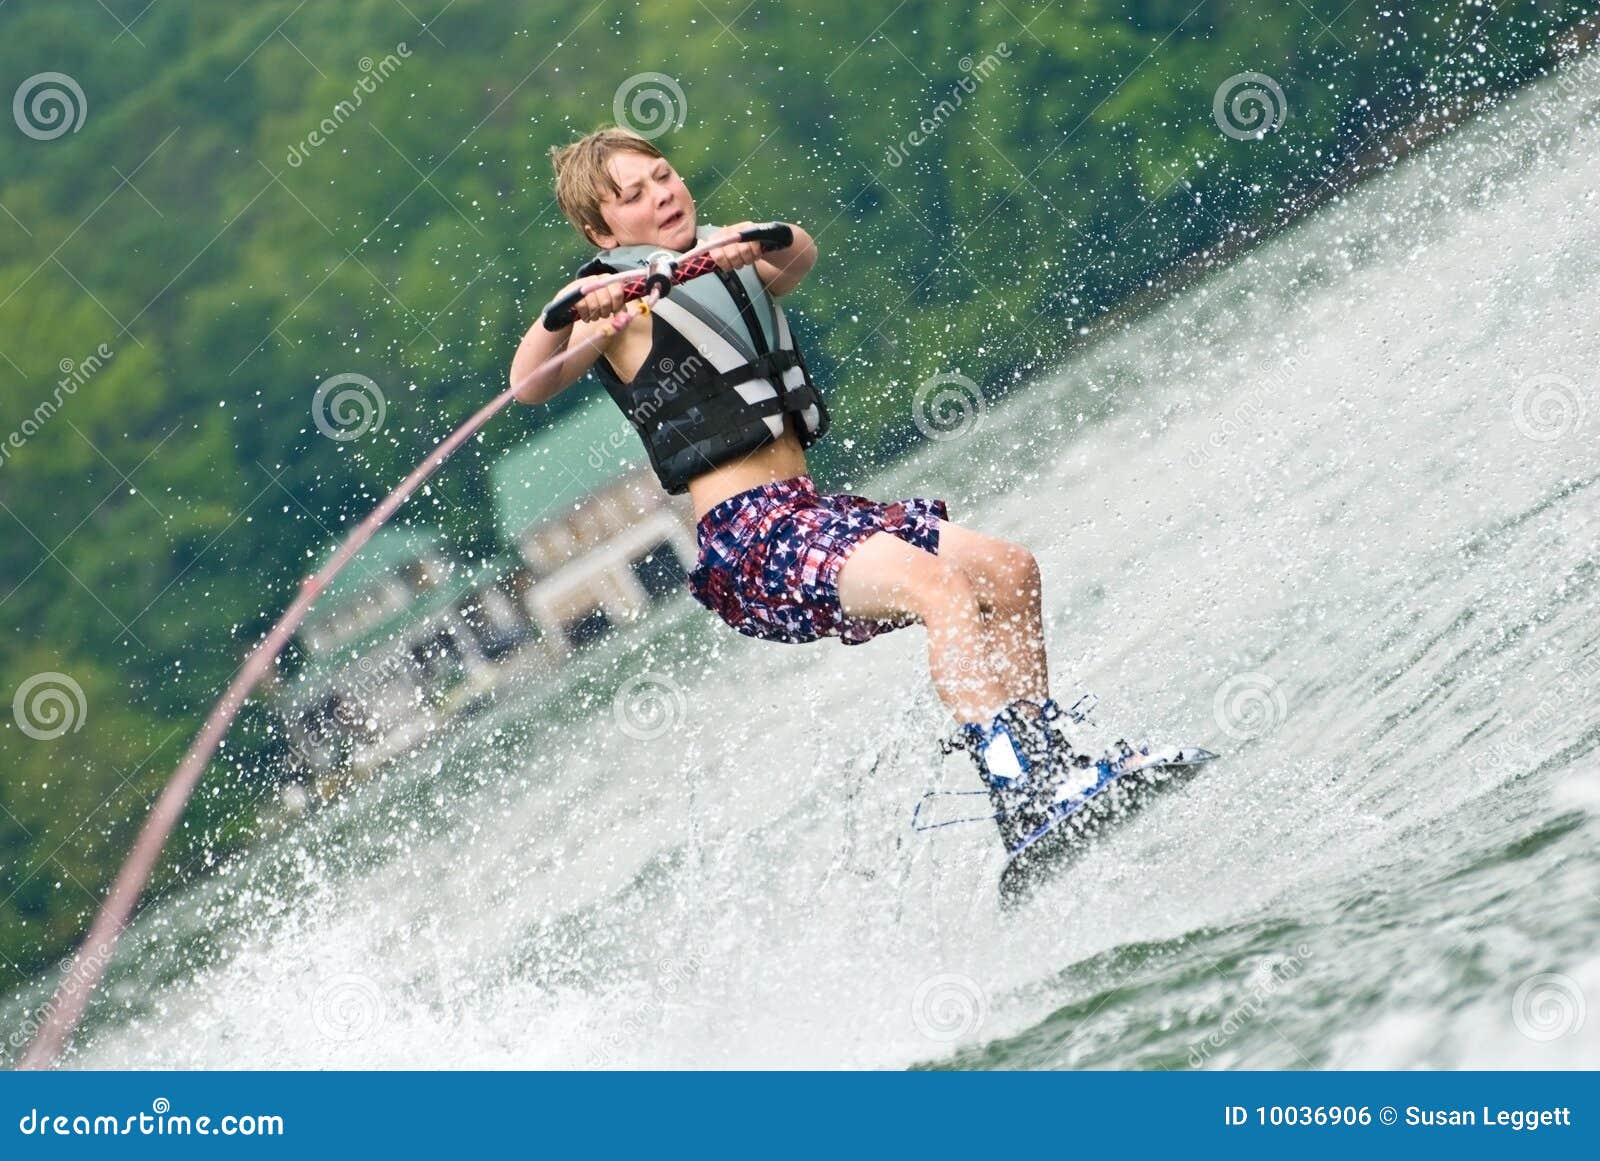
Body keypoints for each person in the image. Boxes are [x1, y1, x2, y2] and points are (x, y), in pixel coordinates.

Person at [508, 125, 1105, 855]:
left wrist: (755, 238)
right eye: (634, 196)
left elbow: (799, 252)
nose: (662, 194)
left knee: (1010, 571)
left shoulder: (731, 254)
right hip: (751, 538)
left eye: (664, 175)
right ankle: (1016, 785)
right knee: (942, 589)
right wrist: (568, 309)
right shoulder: (610, 314)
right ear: (604, 230)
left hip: (812, 514)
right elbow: (530, 385)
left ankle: (1053, 762)